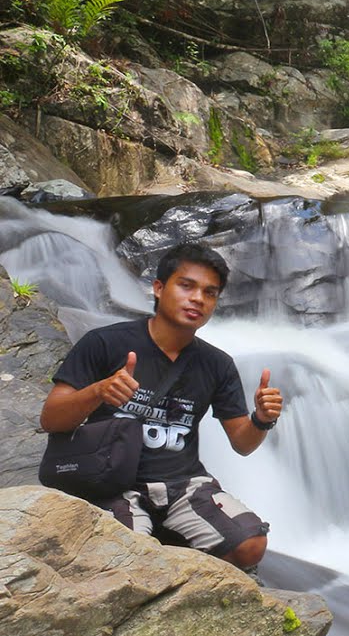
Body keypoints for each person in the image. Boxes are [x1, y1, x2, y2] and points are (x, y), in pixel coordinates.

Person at [39, 242, 282, 570]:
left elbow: (242, 443)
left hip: (183, 484)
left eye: (210, 293)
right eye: (186, 286)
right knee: (127, 559)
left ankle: (183, 557)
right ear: (158, 288)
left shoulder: (217, 364)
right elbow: (51, 418)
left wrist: (262, 420)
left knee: (251, 545)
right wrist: (98, 391)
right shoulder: (105, 343)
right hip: (112, 479)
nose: (197, 298)